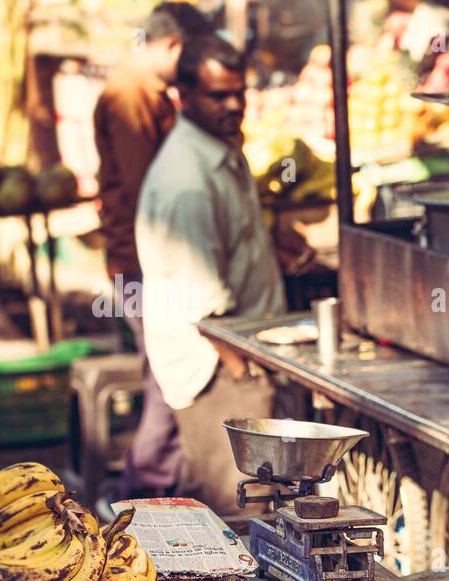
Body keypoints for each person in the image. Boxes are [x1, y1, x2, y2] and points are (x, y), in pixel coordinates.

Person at [135, 35, 285, 519]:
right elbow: (206, 311)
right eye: (218, 96)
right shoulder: (186, 182)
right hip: (217, 366)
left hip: (238, 355)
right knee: (242, 514)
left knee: (259, 510)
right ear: (183, 96)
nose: (234, 105)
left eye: (239, 92)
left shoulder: (219, 149)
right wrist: (246, 374)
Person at [94, 2, 211, 498]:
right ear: (172, 45)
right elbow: (151, 190)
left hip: (154, 266)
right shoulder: (129, 95)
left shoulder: (151, 93)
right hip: (144, 268)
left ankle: (152, 501)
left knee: (167, 382)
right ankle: (136, 504)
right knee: (167, 386)